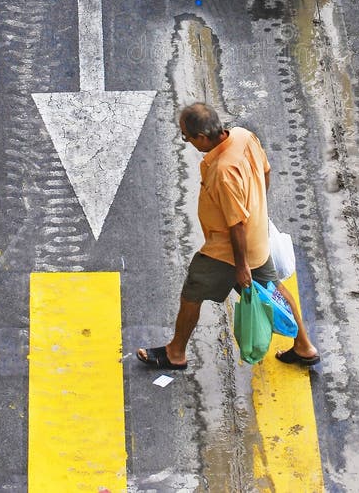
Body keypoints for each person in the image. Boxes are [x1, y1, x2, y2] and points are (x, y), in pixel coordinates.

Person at [137, 102, 319, 370]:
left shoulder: (224, 171)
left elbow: (236, 225)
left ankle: (175, 353)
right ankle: (304, 346)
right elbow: (266, 172)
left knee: (193, 291)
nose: (188, 142)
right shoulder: (244, 136)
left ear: (202, 137)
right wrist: (257, 209)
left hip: (227, 250)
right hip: (257, 239)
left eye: (187, 137)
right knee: (274, 289)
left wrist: (241, 266)